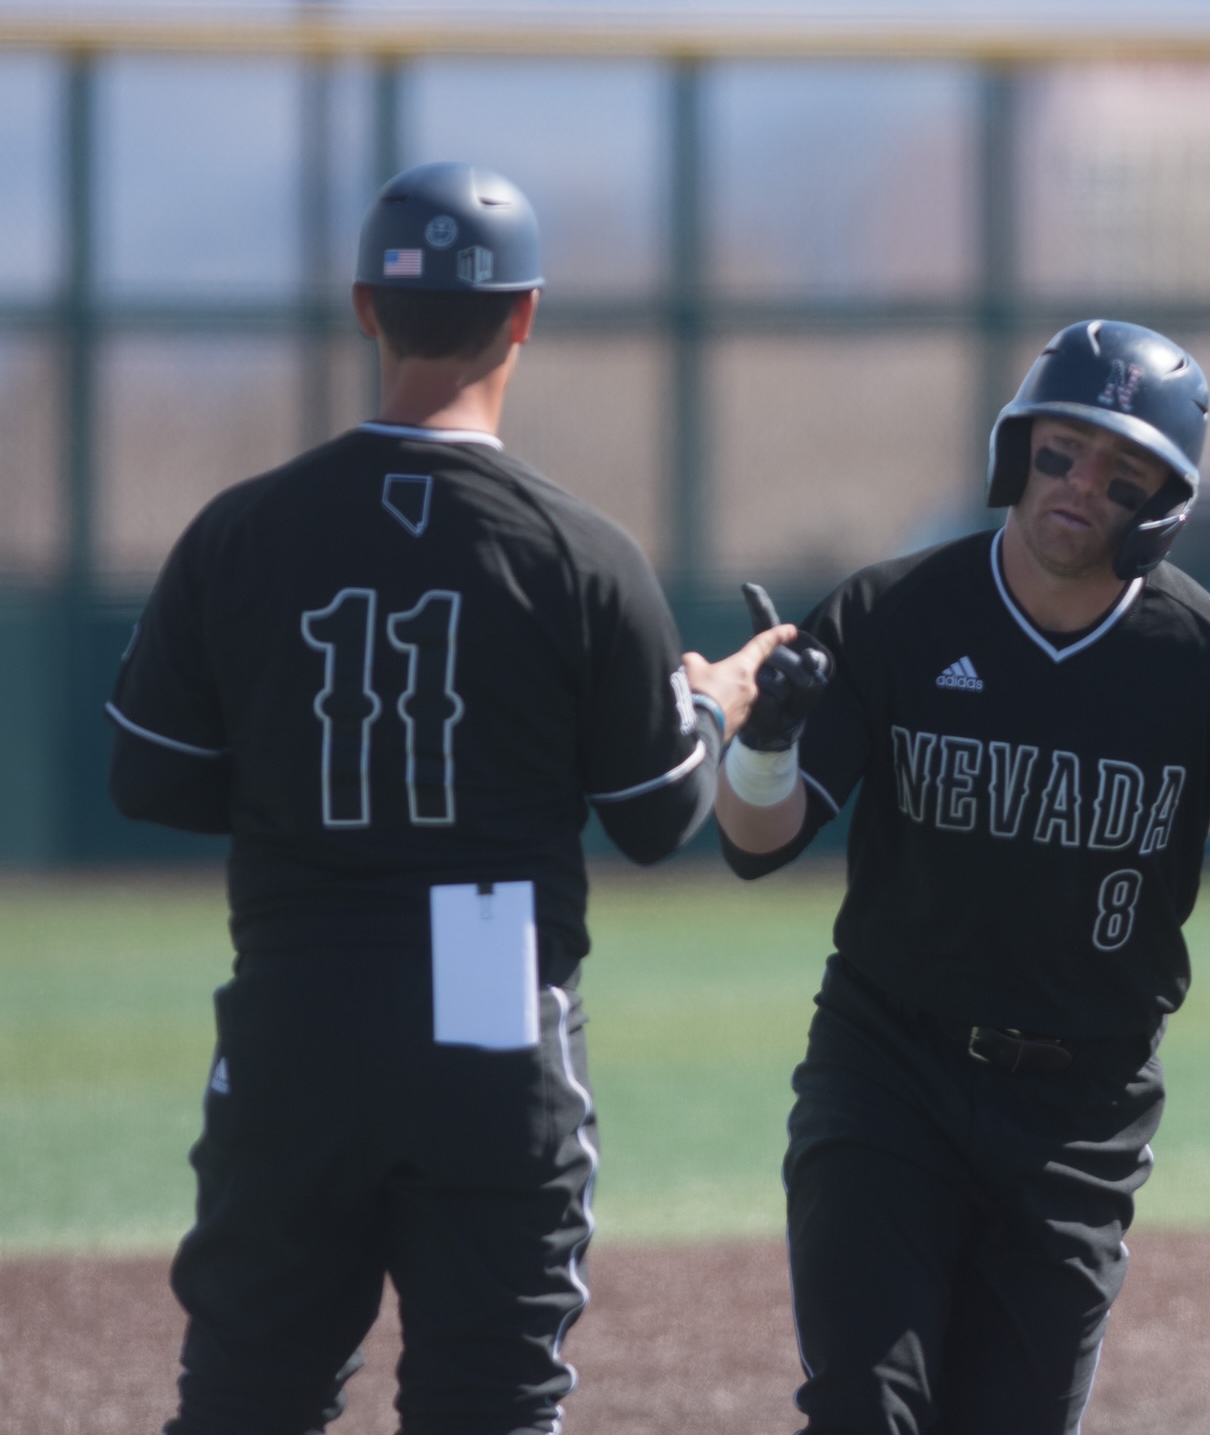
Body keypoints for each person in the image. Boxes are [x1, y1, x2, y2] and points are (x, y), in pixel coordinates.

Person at [106, 160, 789, 1435]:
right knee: (490, 1394)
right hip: (488, 978)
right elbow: (654, 818)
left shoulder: (243, 531)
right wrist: (720, 701)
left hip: (300, 986)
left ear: (368, 307)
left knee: (252, 1390)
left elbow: (149, 775)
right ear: (525, 315)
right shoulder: (577, 551)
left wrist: (304, 792)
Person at [717, 319, 1210, 1434]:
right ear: (1015, 450)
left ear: (1165, 509)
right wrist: (769, 737)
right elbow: (755, 837)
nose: (1079, 485)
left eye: (1123, 473)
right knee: (862, 1410)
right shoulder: (895, 615)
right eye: (1061, 451)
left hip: (1080, 1114)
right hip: (889, 1067)